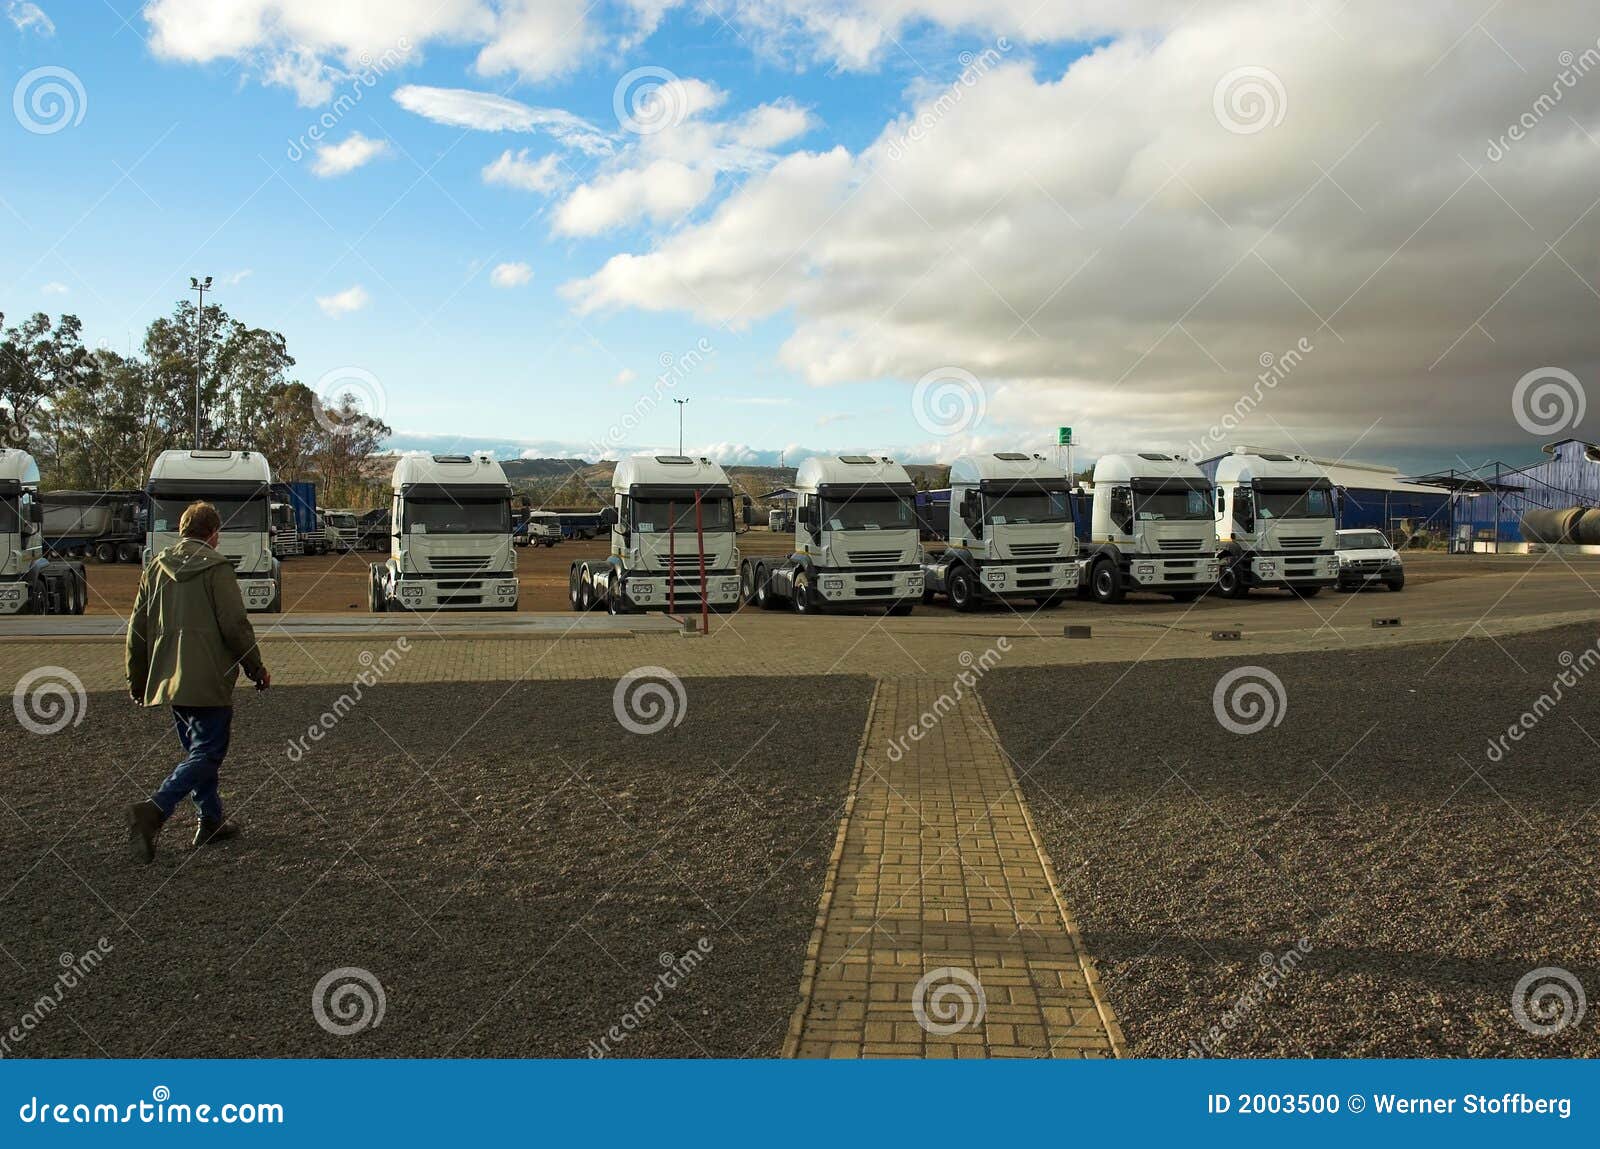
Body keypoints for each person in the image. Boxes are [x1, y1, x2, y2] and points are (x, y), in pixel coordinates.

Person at [125, 500, 271, 863]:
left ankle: (210, 821)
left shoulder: (155, 568)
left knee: (197, 752)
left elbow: (137, 630)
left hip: (169, 678)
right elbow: (234, 625)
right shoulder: (217, 568)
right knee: (208, 752)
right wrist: (256, 668)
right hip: (209, 676)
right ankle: (154, 809)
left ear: (181, 531)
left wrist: (138, 678)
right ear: (214, 534)